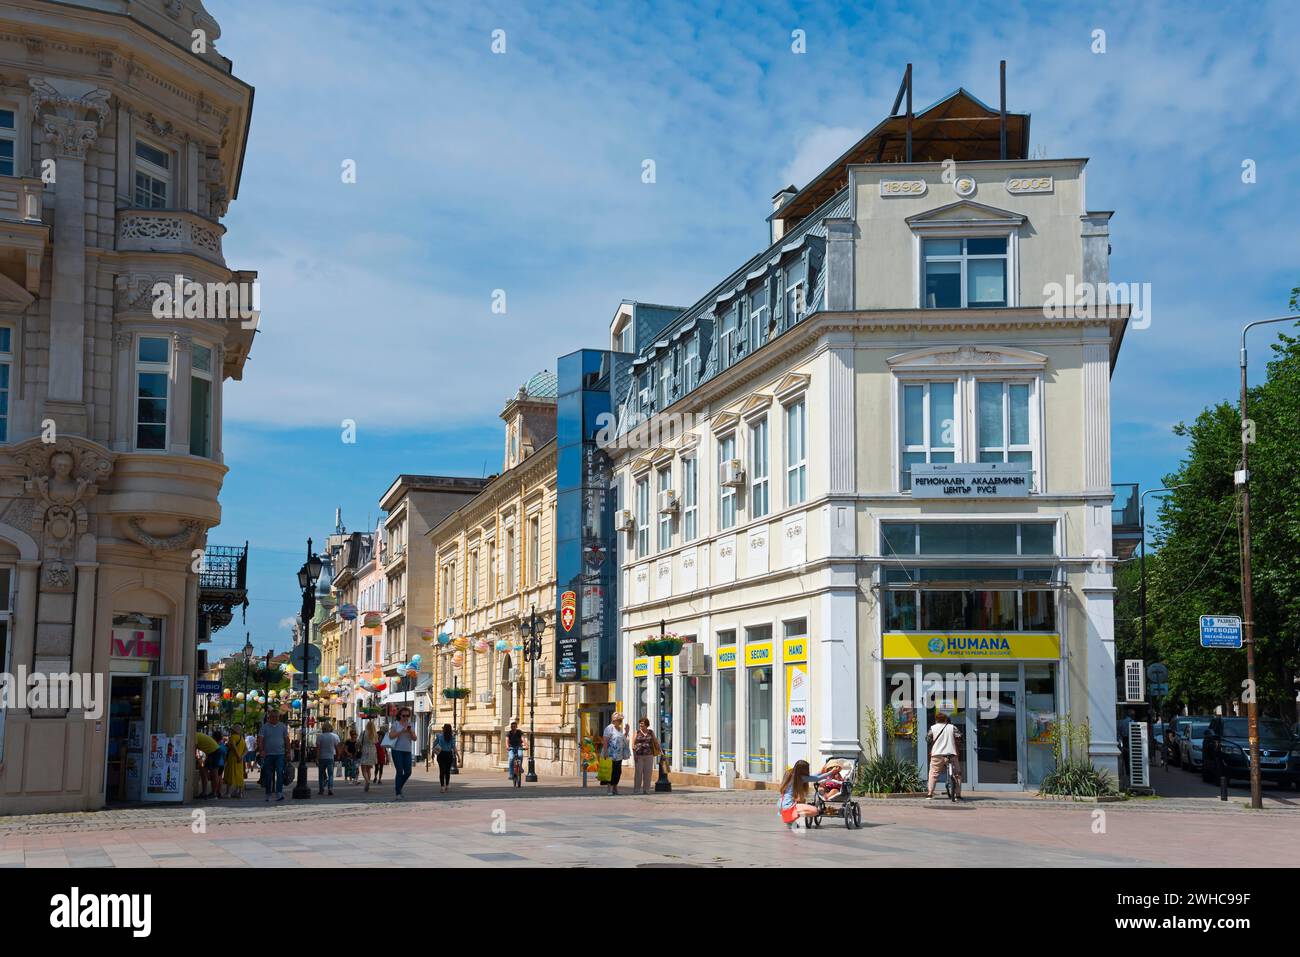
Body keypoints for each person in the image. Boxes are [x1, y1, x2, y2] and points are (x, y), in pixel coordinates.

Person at [777, 760, 830, 826]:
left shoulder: (790, 774)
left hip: (782, 803)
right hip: (789, 805)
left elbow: (812, 777)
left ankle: (790, 820)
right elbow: (817, 778)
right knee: (815, 811)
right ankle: (791, 818)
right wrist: (831, 773)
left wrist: (821, 772)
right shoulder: (800, 778)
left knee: (802, 800)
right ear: (803, 770)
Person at [926, 711, 962, 801]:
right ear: (946, 719)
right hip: (951, 754)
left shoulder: (933, 728)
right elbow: (959, 737)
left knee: (933, 774)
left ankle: (930, 794)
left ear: (936, 719)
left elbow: (927, 739)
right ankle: (958, 795)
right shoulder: (952, 727)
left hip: (937, 754)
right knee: (957, 774)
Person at [258, 710, 291, 801]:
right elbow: (260, 739)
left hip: (280, 754)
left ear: (278, 717)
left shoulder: (282, 726)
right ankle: (268, 793)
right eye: (272, 717)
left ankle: (279, 793)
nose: (274, 718)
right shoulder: (264, 727)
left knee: (280, 773)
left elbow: (286, 739)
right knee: (268, 774)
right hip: (268, 754)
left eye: (276, 717)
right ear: (269, 717)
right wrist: (261, 750)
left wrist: (288, 752)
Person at [385, 709, 416, 799]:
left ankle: (398, 787)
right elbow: (391, 736)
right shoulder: (396, 724)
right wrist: (402, 731)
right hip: (397, 750)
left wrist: (410, 731)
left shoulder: (411, 725)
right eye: (403, 716)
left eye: (407, 716)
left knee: (408, 772)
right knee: (399, 771)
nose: (405, 718)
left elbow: (414, 738)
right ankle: (398, 793)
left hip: (407, 751)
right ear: (400, 716)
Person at [600, 712, 631, 795]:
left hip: (619, 755)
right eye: (619, 720)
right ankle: (609, 789)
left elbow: (622, 739)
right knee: (611, 771)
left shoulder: (620, 729)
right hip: (610, 754)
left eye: (621, 720)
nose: (620, 721)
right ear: (614, 720)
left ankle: (615, 787)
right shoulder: (609, 728)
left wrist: (626, 732)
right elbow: (605, 741)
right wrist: (606, 752)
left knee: (617, 772)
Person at [631, 717, 659, 794]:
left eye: (642, 724)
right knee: (638, 773)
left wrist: (660, 751)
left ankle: (646, 789)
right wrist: (634, 755)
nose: (641, 725)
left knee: (648, 773)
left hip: (649, 755)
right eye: (640, 724)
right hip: (639, 756)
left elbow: (655, 742)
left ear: (646, 725)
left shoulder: (651, 732)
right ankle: (636, 790)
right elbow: (633, 744)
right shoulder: (637, 732)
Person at [316, 721, 341, 796]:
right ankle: (330, 788)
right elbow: (337, 748)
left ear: (323, 728)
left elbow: (318, 749)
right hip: (330, 758)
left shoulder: (320, 737)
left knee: (321, 775)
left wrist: (316, 758)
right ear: (331, 728)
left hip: (322, 758)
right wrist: (338, 755)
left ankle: (321, 789)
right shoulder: (333, 736)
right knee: (330, 774)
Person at [224, 723, 247, 798]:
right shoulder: (242, 738)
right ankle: (240, 793)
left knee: (231, 775)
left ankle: (228, 793)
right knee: (239, 776)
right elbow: (246, 750)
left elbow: (233, 746)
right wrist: (241, 757)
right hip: (240, 760)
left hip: (233, 759)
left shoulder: (232, 737)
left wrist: (237, 756)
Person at [433, 723, 457, 792]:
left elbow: (434, 744)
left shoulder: (439, 736)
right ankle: (447, 785)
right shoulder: (452, 737)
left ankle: (442, 787)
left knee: (441, 771)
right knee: (447, 771)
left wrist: (433, 752)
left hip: (441, 754)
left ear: (444, 729)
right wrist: (458, 756)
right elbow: (454, 747)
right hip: (449, 754)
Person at [206, 732, 227, 799]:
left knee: (214, 778)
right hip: (222, 764)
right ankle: (218, 792)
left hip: (216, 763)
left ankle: (214, 793)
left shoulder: (214, 745)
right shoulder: (223, 746)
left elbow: (210, 754)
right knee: (220, 777)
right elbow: (225, 755)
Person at [359, 721, 378, 792]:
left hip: (365, 750)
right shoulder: (375, 734)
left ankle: (367, 781)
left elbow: (359, 742)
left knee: (363, 768)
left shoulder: (364, 733)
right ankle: (367, 783)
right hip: (373, 751)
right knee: (368, 769)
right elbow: (376, 742)